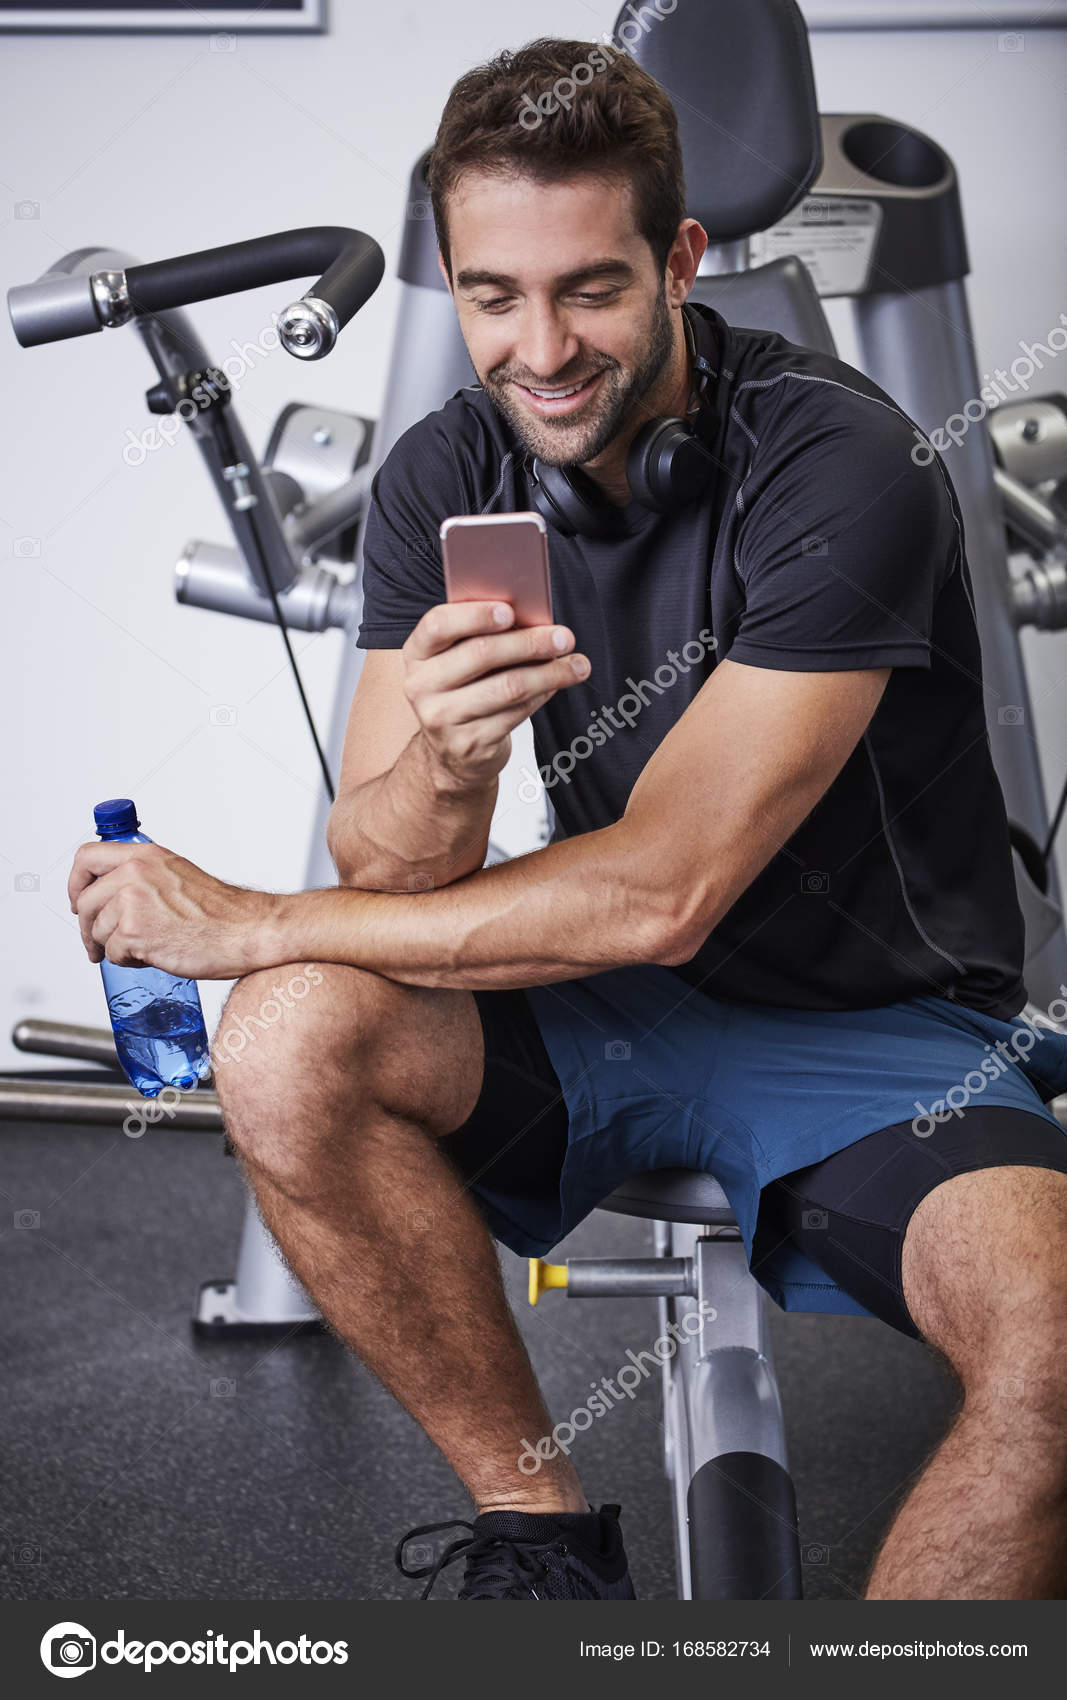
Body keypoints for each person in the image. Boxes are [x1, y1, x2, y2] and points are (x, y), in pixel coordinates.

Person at [69, 38, 1067, 1602]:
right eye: (492, 296)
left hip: (883, 1037)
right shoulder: (447, 467)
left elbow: (662, 891)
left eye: (591, 290)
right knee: (282, 1035)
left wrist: (246, 924)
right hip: (592, 1008)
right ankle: (537, 1541)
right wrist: (450, 767)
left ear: (680, 259)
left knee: (1058, 1359)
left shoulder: (839, 460)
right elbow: (389, 865)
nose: (540, 348)